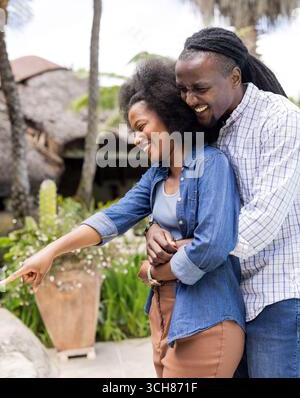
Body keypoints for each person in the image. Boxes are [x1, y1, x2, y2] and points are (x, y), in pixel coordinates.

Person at [0, 59, 245, 378]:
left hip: (205, 319)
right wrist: (49, 252)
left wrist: (156, 272)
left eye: (141, 126)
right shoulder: (157, 175)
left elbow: (214, 246)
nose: (134, 138)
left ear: (170, 115)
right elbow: (112, 218)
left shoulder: (211, 165)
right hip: (163, 314)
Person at [146, 27, 300, 378]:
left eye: (200, 88)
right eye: (183, 89)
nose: (189, 99)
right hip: (225, 299)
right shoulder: (207, 124)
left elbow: (262, 219)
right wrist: (154, 227)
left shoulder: (281, 120)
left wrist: (193, 250)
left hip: (276, 294)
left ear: (234, 77)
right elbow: (176, 188)